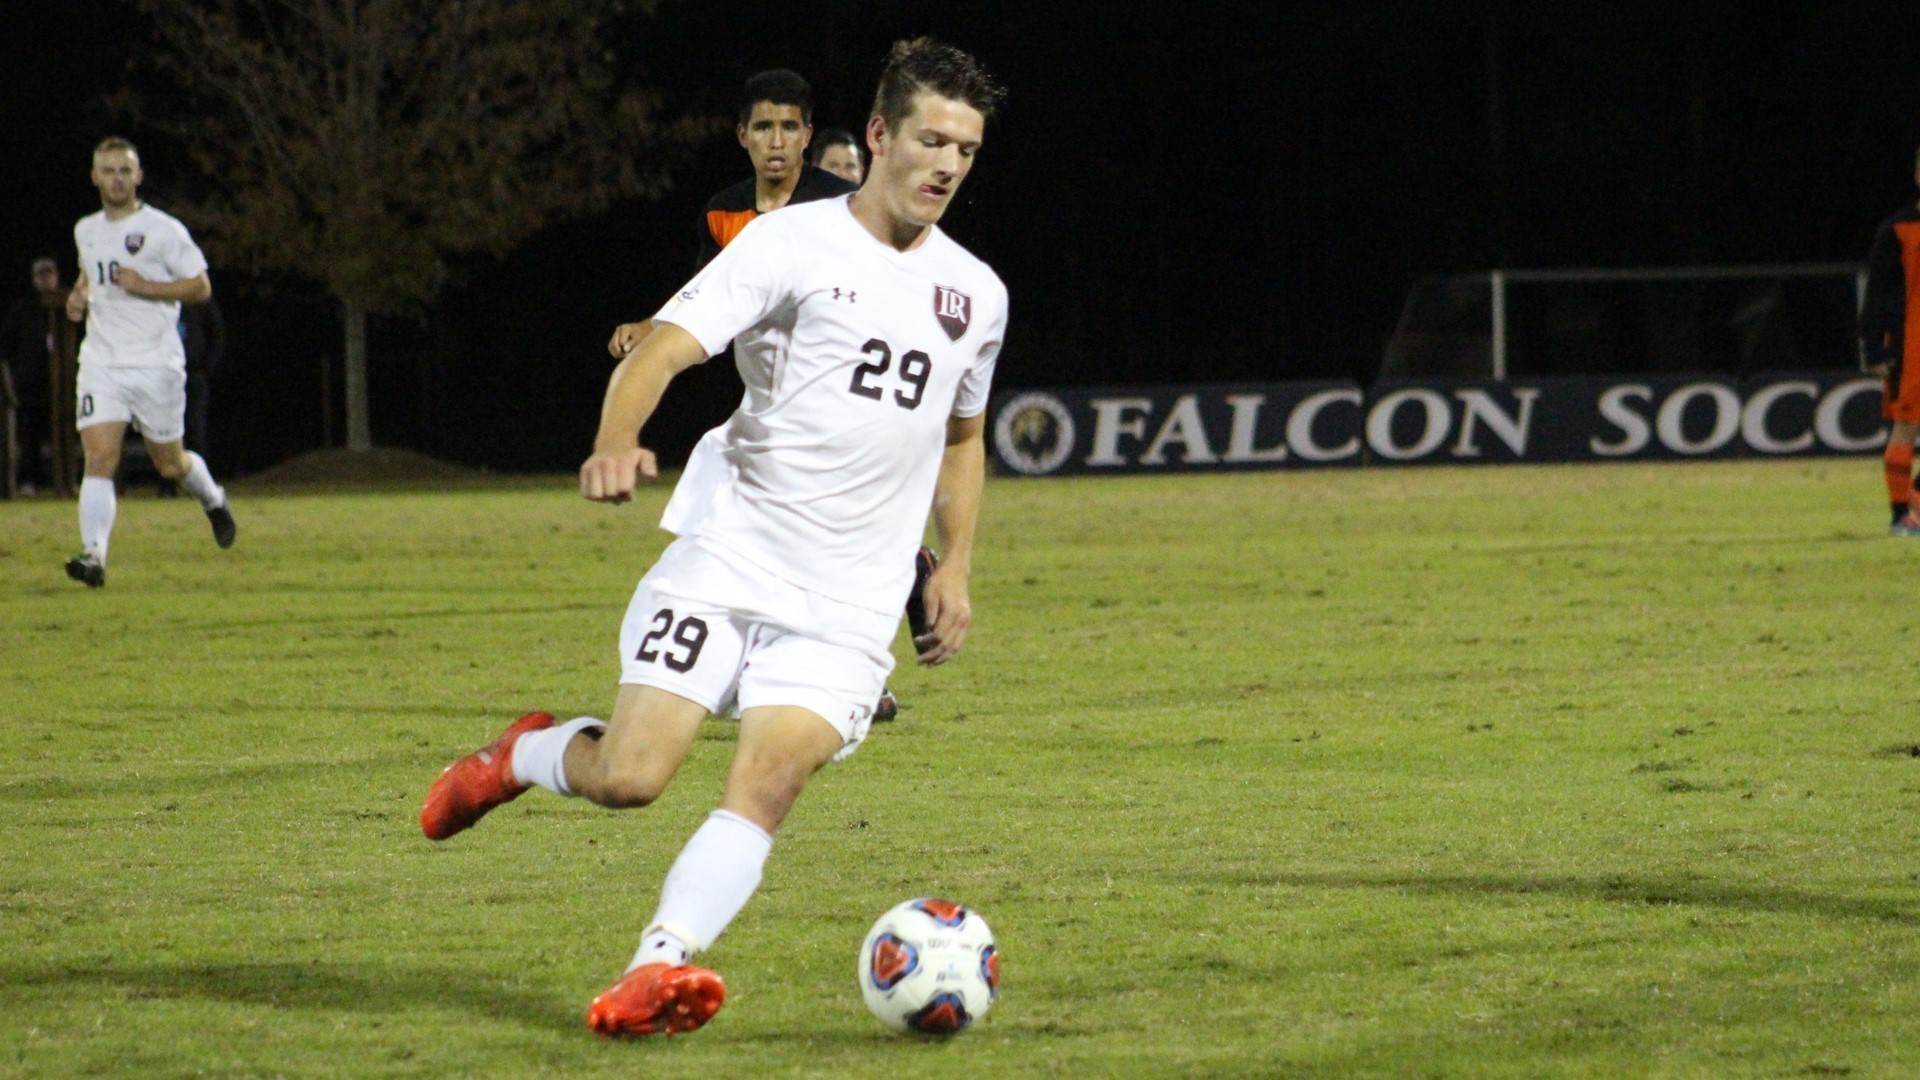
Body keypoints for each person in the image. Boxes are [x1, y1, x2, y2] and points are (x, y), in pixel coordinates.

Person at [422, 37, 1007, 1038]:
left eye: (966, 148)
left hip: (850, 601)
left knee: (769, 780)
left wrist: (952, 564)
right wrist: (615, 440)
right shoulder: (787, 246)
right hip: (732, 554)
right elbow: (662, 351)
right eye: (929, 139)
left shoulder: (977, 294)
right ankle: (525, 755)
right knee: (634, 777)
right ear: (877, 136)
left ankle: (657, 967)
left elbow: (962, 439)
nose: (947, 164)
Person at [63, 137, 236, 587]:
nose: (117, 179)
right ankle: (93, 556)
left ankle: (213, 498)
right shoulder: (86, 229)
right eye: (108, 170)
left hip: (157, 364)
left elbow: (200, 288)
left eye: (125, 170)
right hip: (102, 362)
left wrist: (147, 287)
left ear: (138, 177)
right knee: (100, 457)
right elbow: (90, 273)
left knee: (170, 465)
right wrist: (78, 297)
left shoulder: (165, 231)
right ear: (94, 177)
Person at [1862, 145, 1920, 536]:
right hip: (1912, 344)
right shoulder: (1898, 229)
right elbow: (1878, 292)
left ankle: (1915, 501)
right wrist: (1875, 346)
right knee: (1906, 426)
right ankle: (1902, 516)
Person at [1, 257, 60, 494]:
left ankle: (64, 479)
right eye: (42, 276)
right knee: (30, 433)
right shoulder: (23, 310)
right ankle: (29, 480)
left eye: (50, 275)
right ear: (35, 279)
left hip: (61, 382)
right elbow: (6, 344)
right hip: (31, 382)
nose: (47, 280)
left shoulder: (64, 307)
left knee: (63, 431)